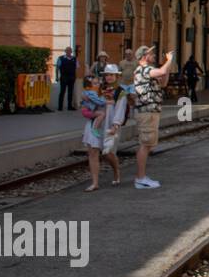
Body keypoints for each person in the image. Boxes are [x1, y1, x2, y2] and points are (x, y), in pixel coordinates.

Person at [132, 44, 173, 190]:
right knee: (145, 144)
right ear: (144, 56)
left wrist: (166, 67)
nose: (154, 55)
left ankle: (142, 177)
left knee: (148, 144)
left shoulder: (147, 71)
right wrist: (169, 61)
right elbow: (161, 71)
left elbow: (163, 82)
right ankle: (140, 178)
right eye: (151, 53)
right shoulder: (144, 69)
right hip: (147, 111)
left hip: (151, 111)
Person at [82, 65, 128, 193]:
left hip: (110, 124)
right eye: (107, 74)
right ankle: (95, 183)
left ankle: (116, 171)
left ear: (117, 76)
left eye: (111, 75)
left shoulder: (120, 92)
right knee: (93, 152)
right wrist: (85, 98)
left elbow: (120, 110)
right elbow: (86, 95)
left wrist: (115, 125)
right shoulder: (97, 88)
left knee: (108, 153)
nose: (108, 77)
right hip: (95, 122)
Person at [56, 46, 79, 111]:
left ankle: (70, 106)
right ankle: (60, 107)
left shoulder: (75, 59)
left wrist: (75, 77)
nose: (68, 52)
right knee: (62, 92)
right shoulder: (61, 58)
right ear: (65, 51)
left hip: (72, 77)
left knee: (70, 92)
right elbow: (57, 68)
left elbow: (77, 68)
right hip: (64, 77)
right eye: (67, 50)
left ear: (71, 52)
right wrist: (57, 77)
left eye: (70, 50)